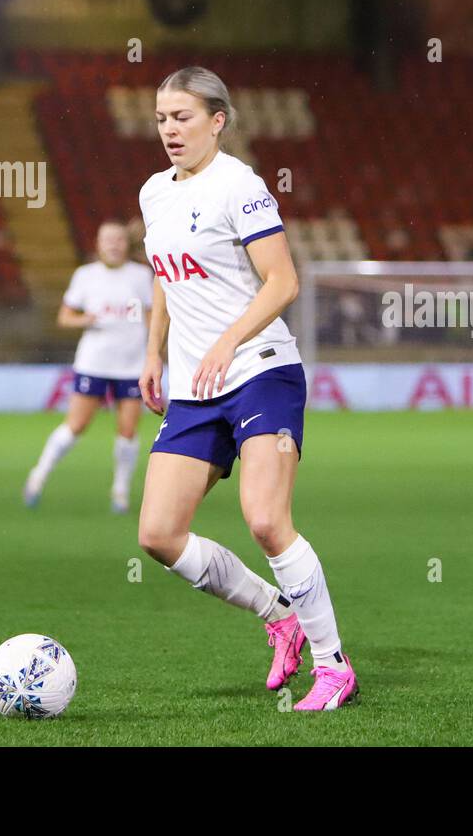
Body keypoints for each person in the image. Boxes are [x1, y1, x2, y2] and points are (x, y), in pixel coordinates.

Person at [137, 65, 358, 710]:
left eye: (182, 117)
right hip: (195, 386)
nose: (170, 130)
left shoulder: (242, 186)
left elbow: (283, 281)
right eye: (161, 119)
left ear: (217, 120)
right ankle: (278, 614)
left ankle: (333, 665)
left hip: (261, 369)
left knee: (265, 520)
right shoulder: (155, 193)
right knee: (157, 534)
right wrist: (153, 352)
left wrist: (228, 339)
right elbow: (164, 274)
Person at [25, 220, 154, 513]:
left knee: (128, 430)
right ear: (97, 244)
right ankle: (39, 475)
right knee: (77, 425)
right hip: (94, 362)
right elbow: (64, 317)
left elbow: (151, 316)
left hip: (131, 365)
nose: (113, 244)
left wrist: (154, 353)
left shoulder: (142, 275)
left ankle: (119, 491)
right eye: (107, 239)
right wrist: (85, 320)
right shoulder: (85, 276)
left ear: (126, 244)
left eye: (119, 239)